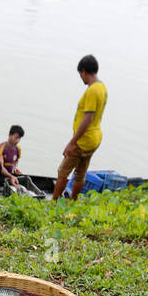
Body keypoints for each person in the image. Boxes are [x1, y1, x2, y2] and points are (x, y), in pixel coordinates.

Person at [52, 54, 108, 201]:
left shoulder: (92, 91)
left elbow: (88, 118)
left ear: (83, 71)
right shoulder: (102, 87)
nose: (81, 77)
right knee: (80, 173)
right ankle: (73, 200)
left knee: (63, 172)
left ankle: (53, 204)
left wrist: (72, 143)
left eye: (80, 74)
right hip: (94, 139)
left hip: (83, 140)